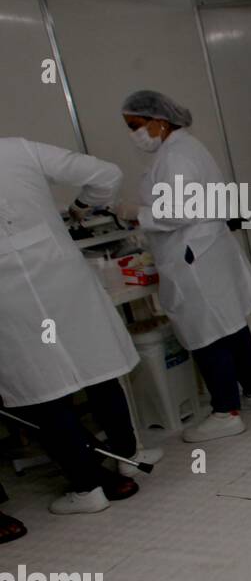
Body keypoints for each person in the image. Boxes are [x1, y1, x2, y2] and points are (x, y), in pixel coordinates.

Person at [0, 138, 161, 514]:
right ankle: (128, 456)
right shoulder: (18, 149)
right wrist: (81, 207)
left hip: (10, 300)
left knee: (45, 389)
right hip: (62, 278)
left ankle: (87, 488)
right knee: (98, 367)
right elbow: (107, 174)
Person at [122, 91, 251, 444]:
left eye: (135, 126)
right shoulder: (187, 148)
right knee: (233, 323)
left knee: (205, 334)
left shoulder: (175, 157)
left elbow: (180, 210)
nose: (133, 134)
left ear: (158, 121)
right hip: (209, 249)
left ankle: (226, 412)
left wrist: (136, 214)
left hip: (192, 255)